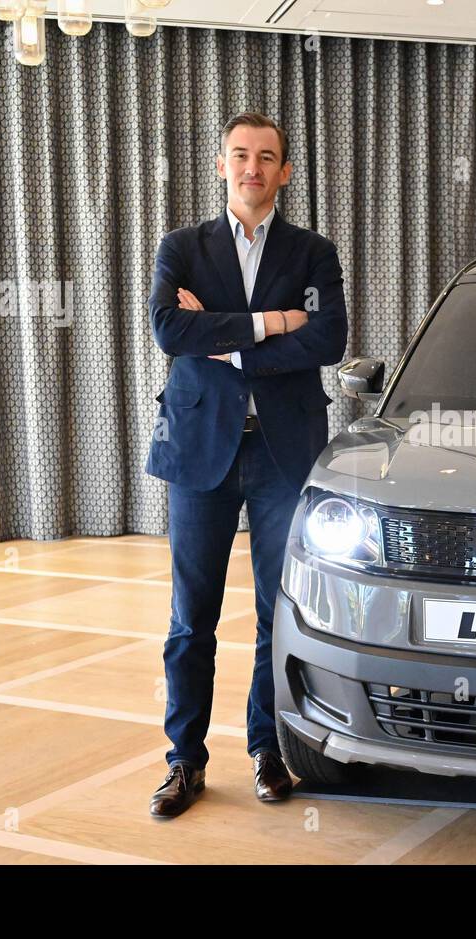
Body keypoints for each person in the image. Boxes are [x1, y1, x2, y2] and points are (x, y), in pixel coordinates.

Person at [144, 111, 348, 816]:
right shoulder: (182, 246)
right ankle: (184, 762)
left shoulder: (314, 254)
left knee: (276, 612)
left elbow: (328, 337)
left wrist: (221, 335)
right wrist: (270, 323)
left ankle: (268, 749)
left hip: (282, 450)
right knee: (189, 618)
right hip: (201, 446)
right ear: (222, 165)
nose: (252, 167)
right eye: (240, 155)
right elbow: (169, 327)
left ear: (285, 172)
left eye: (266, 157)